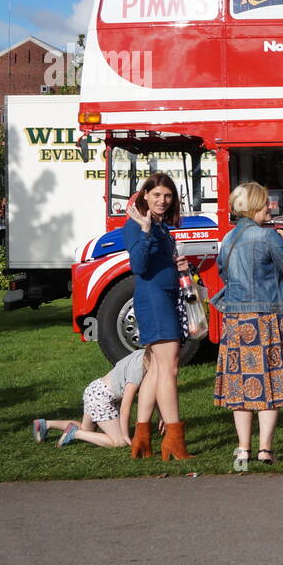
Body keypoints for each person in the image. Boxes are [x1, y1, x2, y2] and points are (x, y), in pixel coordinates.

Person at [211, 181, 283, 465]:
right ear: (253, 206)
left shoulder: (228, 239)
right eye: (265, 203)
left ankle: (243, 450)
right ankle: (265, 449)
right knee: (272, 381)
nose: (269, 207)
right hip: (270, 317)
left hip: (236, 318)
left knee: (240, 384)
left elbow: (223, 273)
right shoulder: (268, 237)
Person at [123, 172, 194, 460]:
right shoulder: (138, 225)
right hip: (153, 299)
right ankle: (174, 438)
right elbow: (138, 265)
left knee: (155, 369)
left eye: (167, 196)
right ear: (145, 196)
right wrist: (145, 229)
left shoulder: (160, 227)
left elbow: (153, 262)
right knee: (169, 367)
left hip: (163, 296)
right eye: (156, 195)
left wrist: (176, 264)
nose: (162, 201)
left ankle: (143, 437)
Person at [33, 348, 149, 449]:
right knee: (119, 442)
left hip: (95, 388)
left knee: (86, 430)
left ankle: (45, 424)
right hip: (103, 398)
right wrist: (125, 435)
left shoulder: (140, 353)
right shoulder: (137, 372)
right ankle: (75, 434)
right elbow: (125, 407)